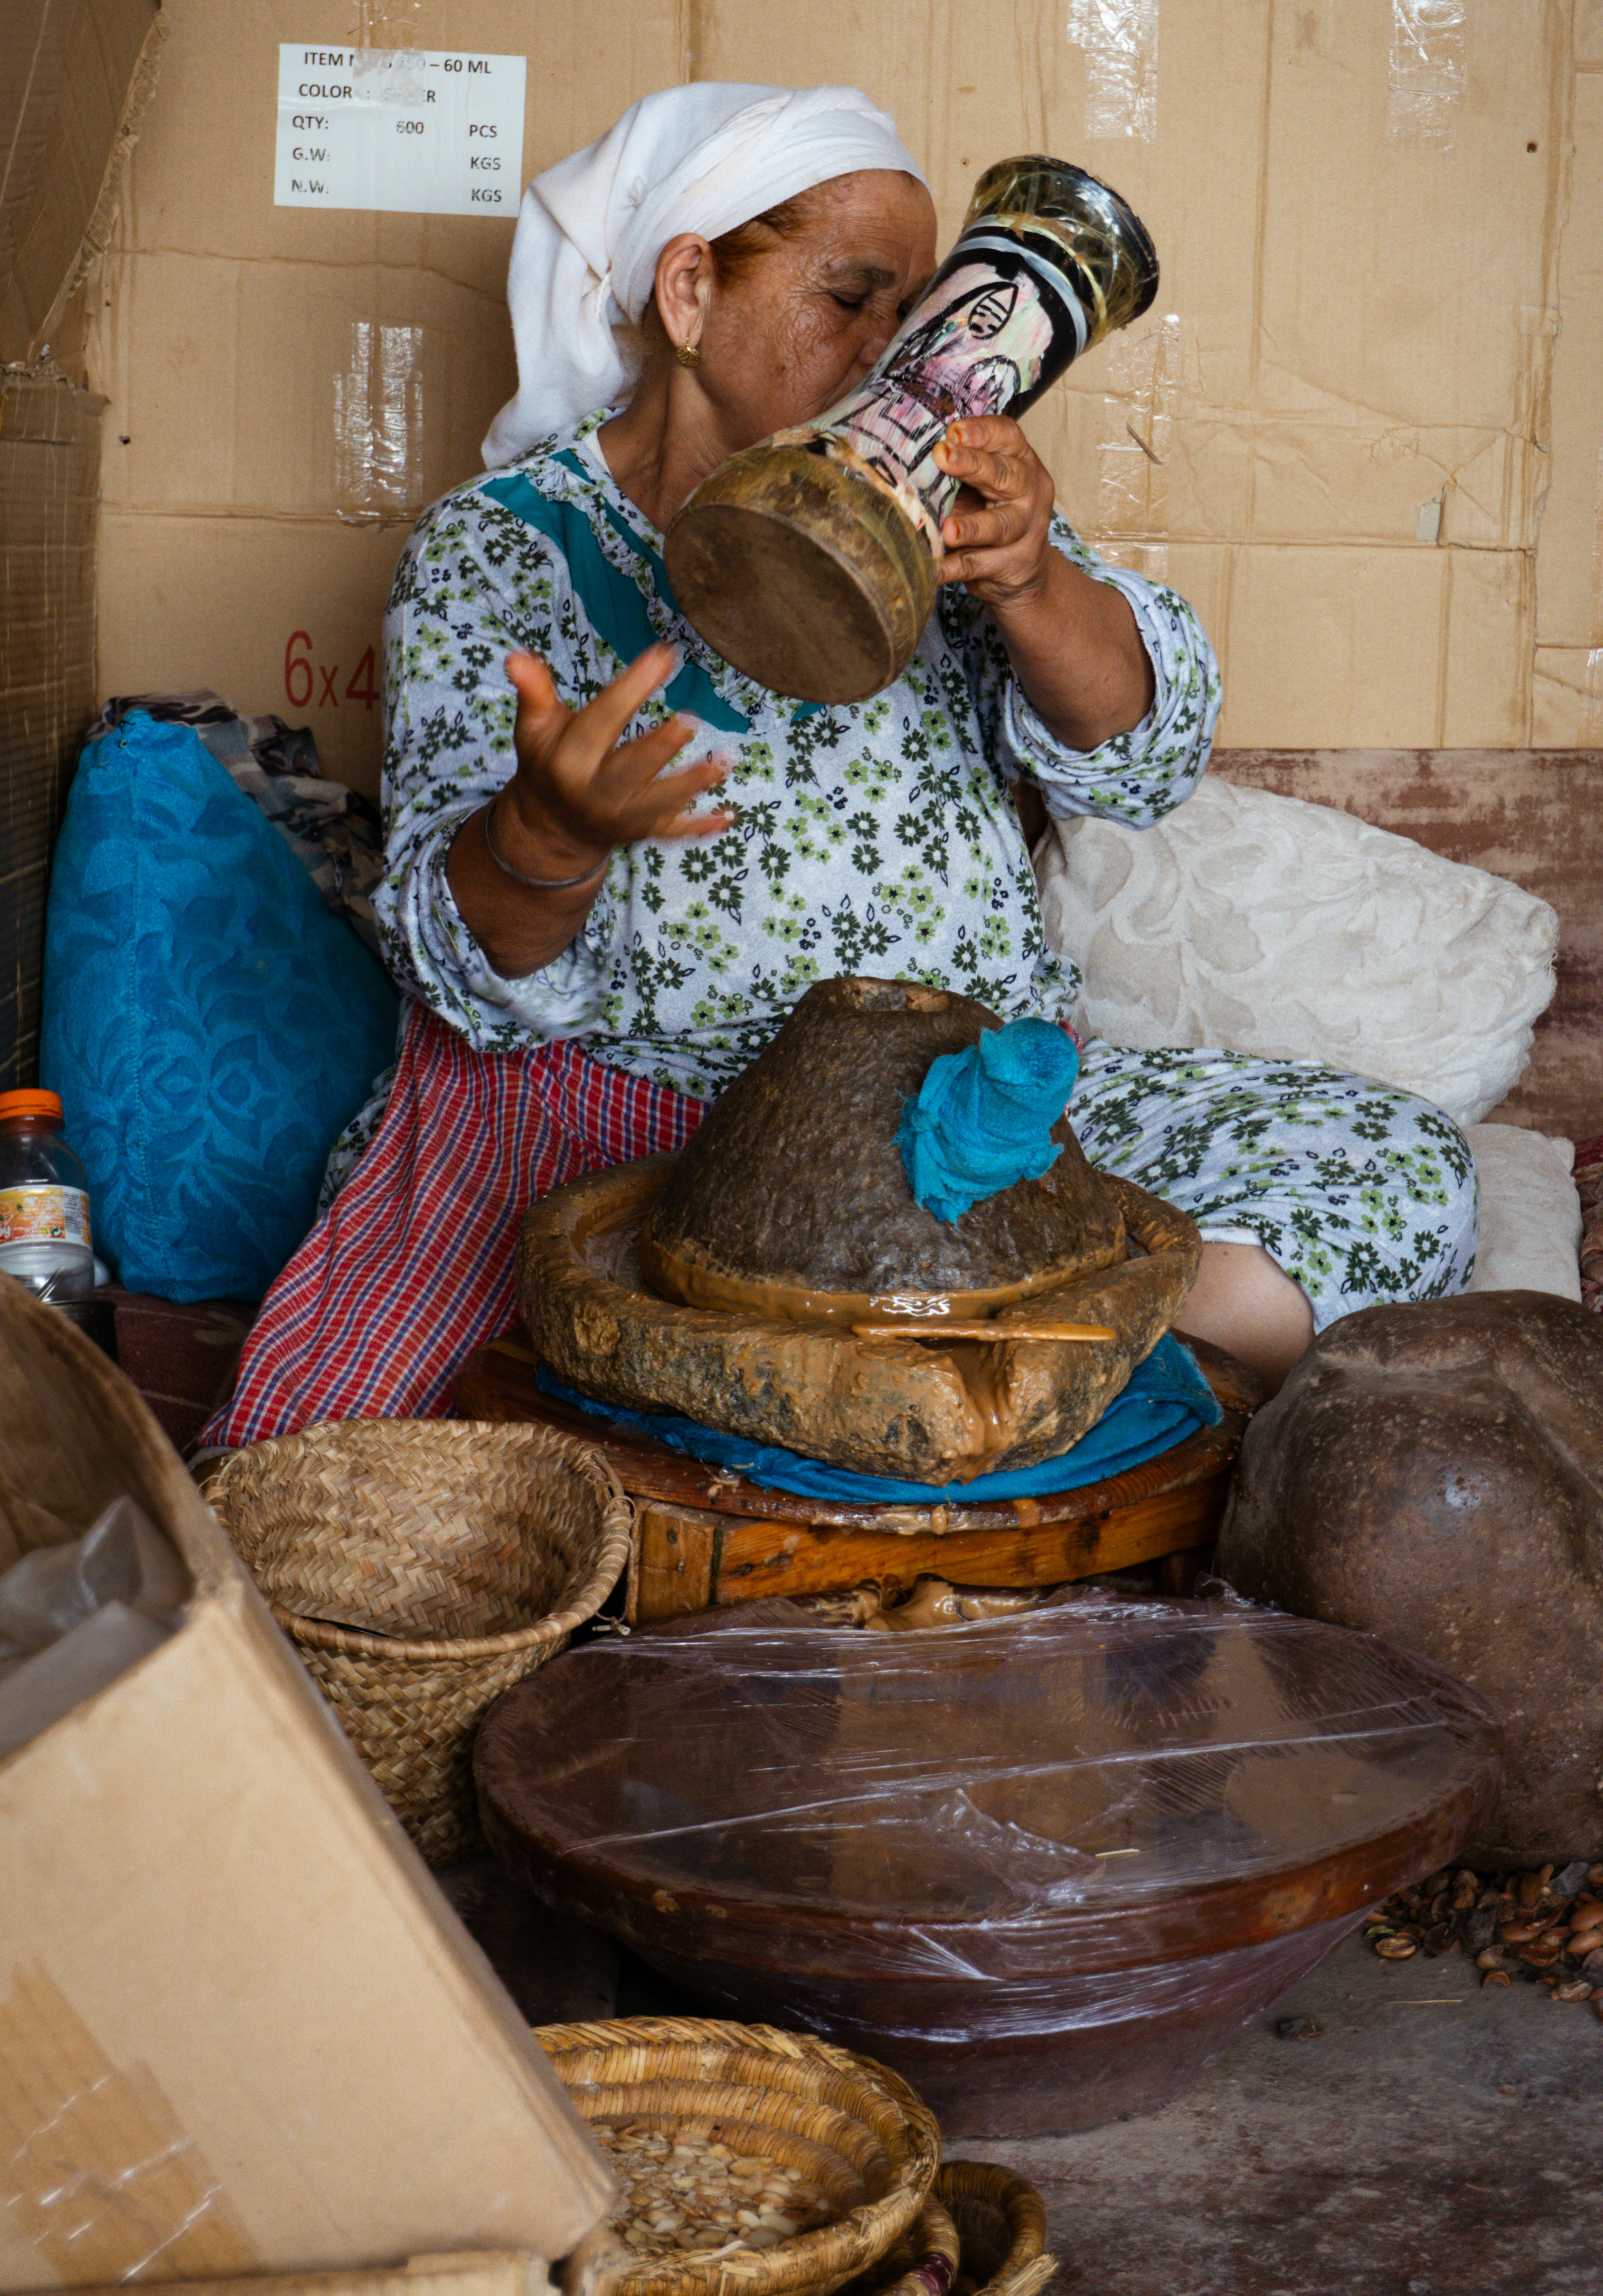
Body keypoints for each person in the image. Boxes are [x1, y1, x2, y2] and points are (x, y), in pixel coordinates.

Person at [209, 83, 1475, 1447]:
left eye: (920, 315)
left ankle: (873, 1352)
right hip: (684, 1126)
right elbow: (465, 964)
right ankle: (972, 1357)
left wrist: (1032, 575)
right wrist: (553, 836)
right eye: (850, 300)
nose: (897, 355)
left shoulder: (929, 508)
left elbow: (1141, 763)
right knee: (402, 1399)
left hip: (969, 1111)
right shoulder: (501, 551)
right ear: (689, 293)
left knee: (1403, 1172)